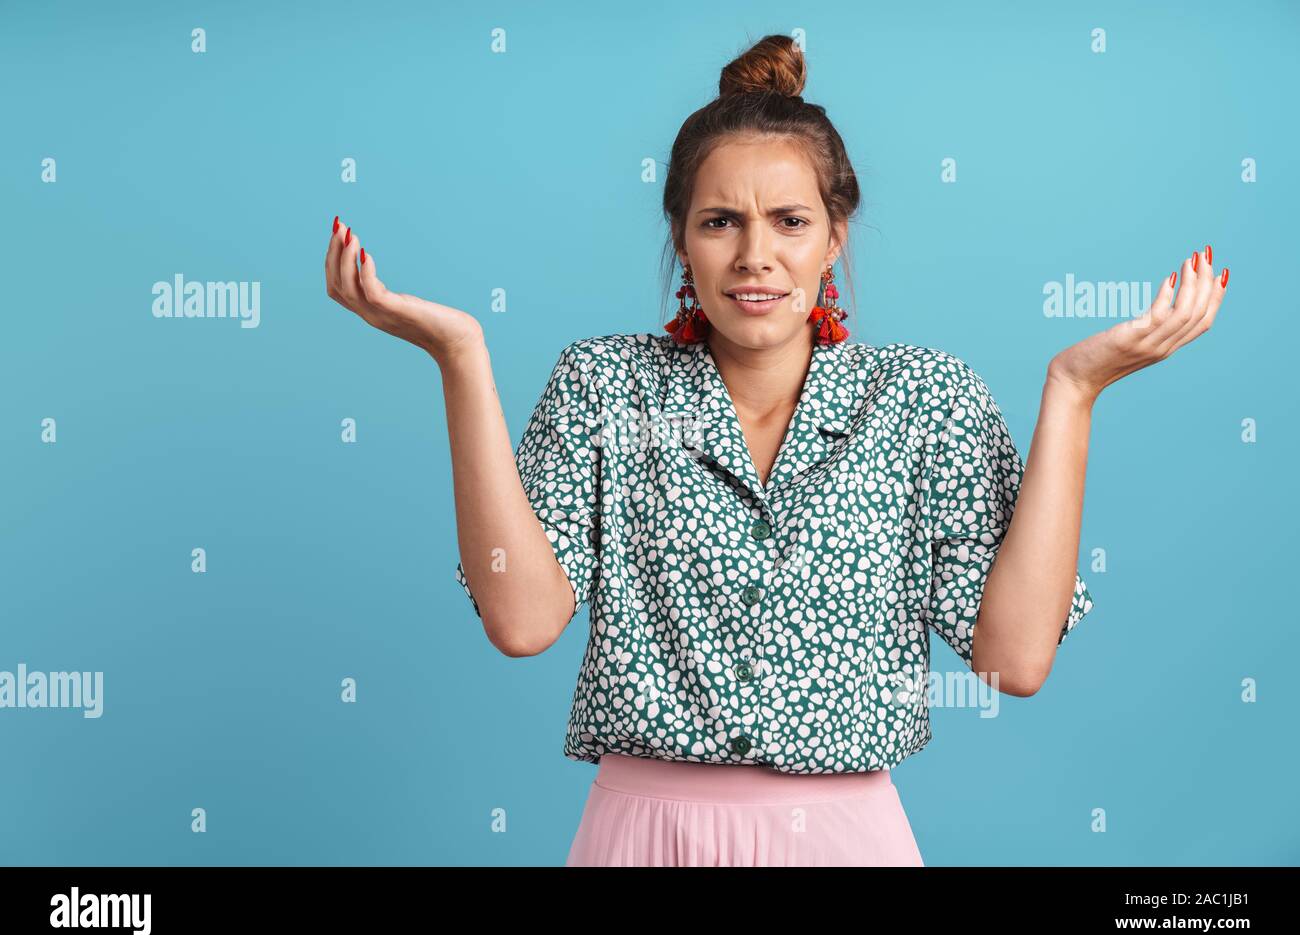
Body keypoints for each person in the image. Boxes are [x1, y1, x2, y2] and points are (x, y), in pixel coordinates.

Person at [322, 35, 1229, 867]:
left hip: (847, 838)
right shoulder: (605, 386)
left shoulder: (922, 401)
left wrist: (1074, 393)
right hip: (642, 836)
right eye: (721, 221)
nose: (755, 254)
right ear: (681, 236)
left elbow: (1015, 659)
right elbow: (521, 623)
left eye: (789, 221)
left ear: (835, 236)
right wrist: (461, 356)